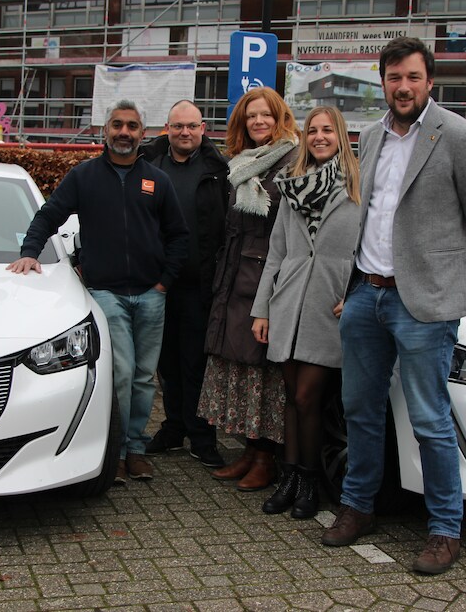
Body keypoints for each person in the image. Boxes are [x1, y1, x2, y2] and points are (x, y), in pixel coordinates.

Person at [321, 36, 466, 576]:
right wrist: (355, 284)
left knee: (429, 420)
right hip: (365, 296)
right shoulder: (371, 135)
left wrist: (448, 285)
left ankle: (445, 530)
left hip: (422, 305)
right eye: (394, 77)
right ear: (383, 81)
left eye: (413, 78)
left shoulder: (460, 138)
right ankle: (359, 507)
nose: (403, 87)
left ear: (429, 81)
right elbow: (370, 210)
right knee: (361, 411)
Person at [7, 99, 190, 485]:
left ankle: (136, 448)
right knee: (121, 374)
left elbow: (178, 236)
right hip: (106, 294)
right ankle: (118, 453)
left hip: (152, 295)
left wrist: (164, 283)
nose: (124, 132)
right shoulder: (84, 176)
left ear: (143, 134)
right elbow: (48, 216)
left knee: (143, 378)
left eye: (133, 126)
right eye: (118, 125)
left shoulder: (157, 180)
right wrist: (28, 254)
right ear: (105, 131)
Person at [251, 106, 361, 519]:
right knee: (293, 401)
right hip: (288, 303)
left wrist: (357, 294)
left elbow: (371, 250)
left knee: (307, 397)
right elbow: (276, 252)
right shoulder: (292, 186)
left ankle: (310, 481)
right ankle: (292, 480)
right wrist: (262, 309)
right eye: (312, 130)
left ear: (341, 135)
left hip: (329, 307)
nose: (318, 137)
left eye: (327, 130)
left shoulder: (358, 186)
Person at [198, 87, 299, 492]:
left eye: (266, 115)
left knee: (266, 371)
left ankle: (268, 459)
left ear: (280, 118)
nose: (258, 122)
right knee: (243, 368)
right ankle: (251, 451)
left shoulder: (291, 161)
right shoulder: (243, 164)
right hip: (236, 275)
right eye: (251, 116)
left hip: (266, 281)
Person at [140, 100, 230, 469]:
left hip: (198, 284)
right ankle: (174, 427)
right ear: (167, 128)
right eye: (178, 126)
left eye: (192, 126)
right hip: (156, 284)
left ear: (203, 128)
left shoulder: (218, 169)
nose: (185, 133)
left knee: (195, 363)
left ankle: (202, 436)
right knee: (166, 363)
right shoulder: (149, 163)